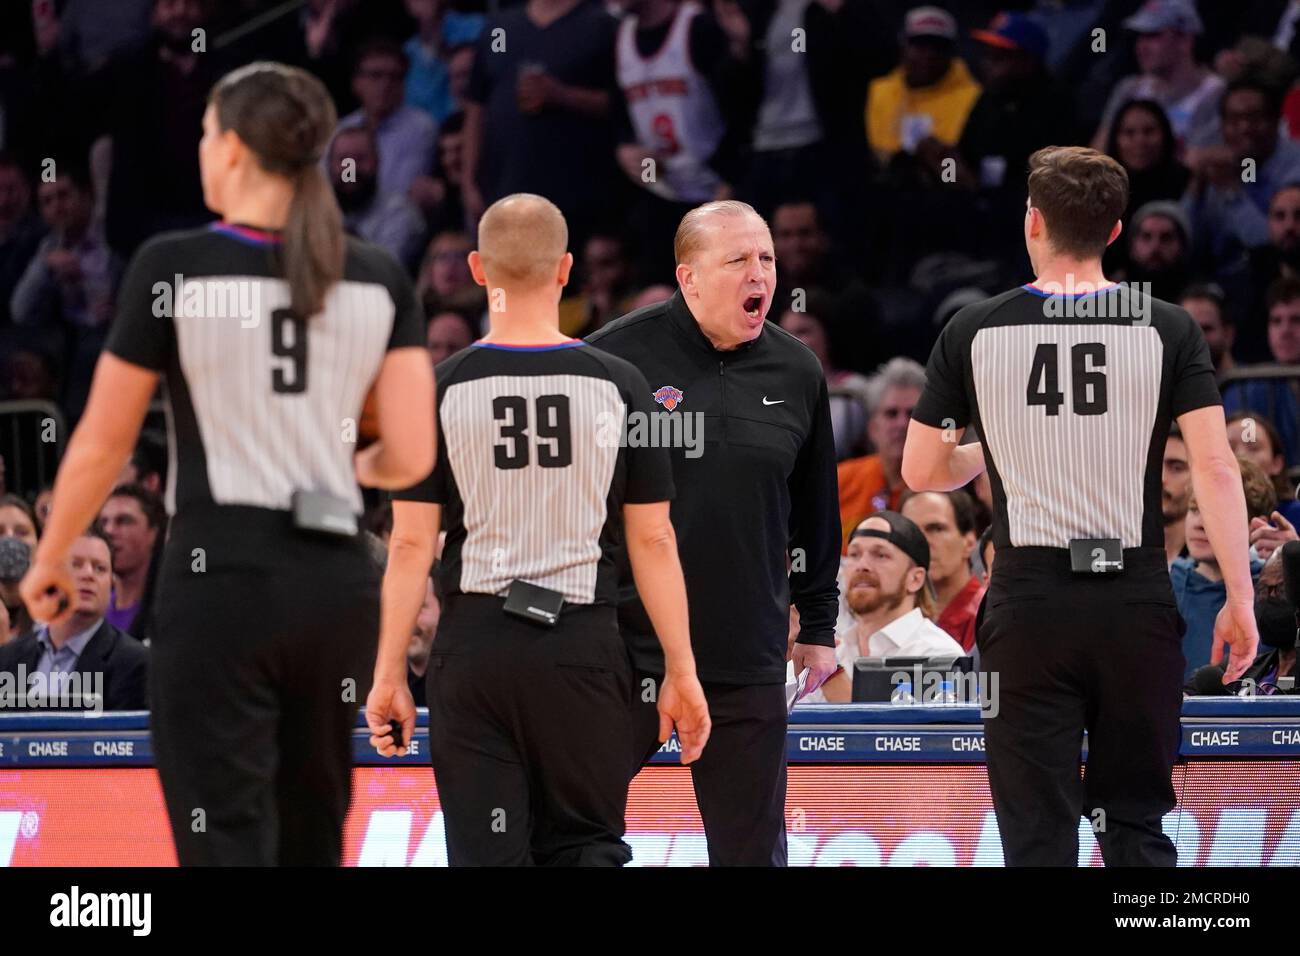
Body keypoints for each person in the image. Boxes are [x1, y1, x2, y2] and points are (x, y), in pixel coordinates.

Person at [19, 62, 435, 866]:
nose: (202, 149)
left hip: (223, 585)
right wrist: (332, 456)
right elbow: (412, 455)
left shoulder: (172, 266)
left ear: (236, 149)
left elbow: (104, 442)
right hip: (338, 586)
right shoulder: (378, 274)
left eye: (208, 133)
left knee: (226, 843)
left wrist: (50, 553)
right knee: (312, 839)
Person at [902, 146, 1259, 867]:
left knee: (1037, 835)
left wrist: (990, 448)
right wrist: (1241, 597)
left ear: (1032, 222)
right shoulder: (1168, 328)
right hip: (1134, 600)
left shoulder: (973, 329)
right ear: (1117, 230)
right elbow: (1217, 469)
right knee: (1135, 825)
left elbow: (922, 469)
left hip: (1028, 607)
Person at [365, 193, 709, 866]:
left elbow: (408, 546)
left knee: (487, 853)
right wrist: (681, 668)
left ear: (475, 269)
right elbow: (654, 541)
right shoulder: (620, 382)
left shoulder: (435, 388)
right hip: (581, 647)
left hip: (476, 648)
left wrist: (387, 675)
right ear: (566, 270)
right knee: (586, 845)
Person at [587, 198, 841, 866]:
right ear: (689, 276)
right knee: (573, 829)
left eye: (767, 259)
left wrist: (816, 627)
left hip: (745, 652)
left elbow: (816, 510)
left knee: (752, 850)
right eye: (739, 260)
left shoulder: (797, 370)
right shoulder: (614, 359)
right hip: (624, 648)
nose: (760, 274)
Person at [0, 529, 147, 710]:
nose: (88, 574)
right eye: (75, 565)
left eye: (99, 568)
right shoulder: (7, 659)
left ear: (111, 584)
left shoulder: (134, 664)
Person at [1171, 458, 1272, 679]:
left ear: (1255, 525)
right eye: (1194, 509)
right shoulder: (1165, 583)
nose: (1198, 523)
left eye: (1214, 511)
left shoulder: (1275, 589)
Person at [1090, 0, 1224, 152]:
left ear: (1185, 41)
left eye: (1153, 35)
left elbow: (1199, 163)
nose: (1141, 46)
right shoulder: (1129, 89)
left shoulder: (1214, 93)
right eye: (1139, 36)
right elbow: (1098, 154)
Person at [837, 357, 925, 548]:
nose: (902, 424)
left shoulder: (942, 488)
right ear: (872, 428)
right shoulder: (839, 480)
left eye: (912, 413)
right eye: (891, 413)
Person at [336, 39, 438, 201]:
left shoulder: (420, 128)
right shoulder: (342, 131)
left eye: (394, 77)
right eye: (376, 75)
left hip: (396, 219)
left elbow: (401, 191)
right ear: (357, 83)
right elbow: (340, 182)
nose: (385, 84)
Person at [901, 489, 985, 652]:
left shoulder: (988, 616)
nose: (921, 542)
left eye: (936, 529)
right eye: (911, 531)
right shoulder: (891, 617)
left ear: (969, 542)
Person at [97, 483, 163, 637]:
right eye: (104, 522)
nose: (109, 531)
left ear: (153, 533)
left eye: (124, 521)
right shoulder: (90, 612)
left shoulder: (171, 610)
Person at [1162, 425, 1192, 565]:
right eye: (1152, 466)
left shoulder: (1214, 563)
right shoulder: (1118, 547)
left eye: (1176, 468)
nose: (1161, 478)